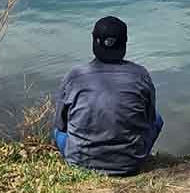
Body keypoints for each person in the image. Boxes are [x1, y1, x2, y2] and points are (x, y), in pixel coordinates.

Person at [53, 16, 163, 175]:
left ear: (93, 43)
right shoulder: (141, 76)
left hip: (80, 162)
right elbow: (150, 119)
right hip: (130, 163)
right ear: (124, 44)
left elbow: (61, 125)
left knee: (57, 132)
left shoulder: (74, 76)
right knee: (158, 119)